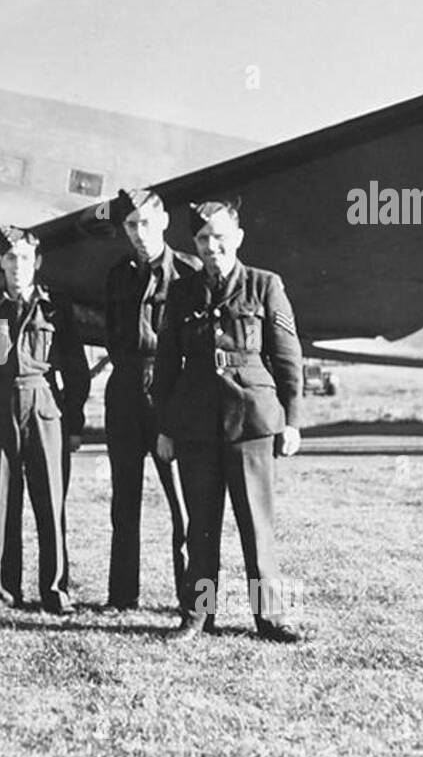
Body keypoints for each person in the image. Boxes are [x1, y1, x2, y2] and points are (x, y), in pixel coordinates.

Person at [152, 200, 303, 643]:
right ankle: (198, 616)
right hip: (196, 422)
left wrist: (291, 420)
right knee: (201, 526)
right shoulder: (182, 292)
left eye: (220, 237)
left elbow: (287, 357)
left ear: (237, 238)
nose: (212, 246)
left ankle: (272, 619)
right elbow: (166, 363)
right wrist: (165, 425)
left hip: (251, 421)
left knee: (257, 524)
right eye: (203, 239)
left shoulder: (265, 285)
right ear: (194, 245)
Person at [0, 226, 90, 615]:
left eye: (25, 258)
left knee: (50, 502)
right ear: (0, 262)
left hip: (44, 404)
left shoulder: (56, 308)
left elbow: (77, 370)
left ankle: (55, 590)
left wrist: (74, 423)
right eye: (11, 258)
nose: (18, 266)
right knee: (3, 502)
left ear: (37, 263)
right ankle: (5, 591)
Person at [103, 187, 198, 612]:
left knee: (183, 503)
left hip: (170, 392)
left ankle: (191, 599)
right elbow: (112, 335)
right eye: (130, 225)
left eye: (145, 223)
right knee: (124, 500)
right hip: (124, 388)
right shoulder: (118, 274)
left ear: (163, 222)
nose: (139, 233)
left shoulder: (189, 272)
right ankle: (122, 597)